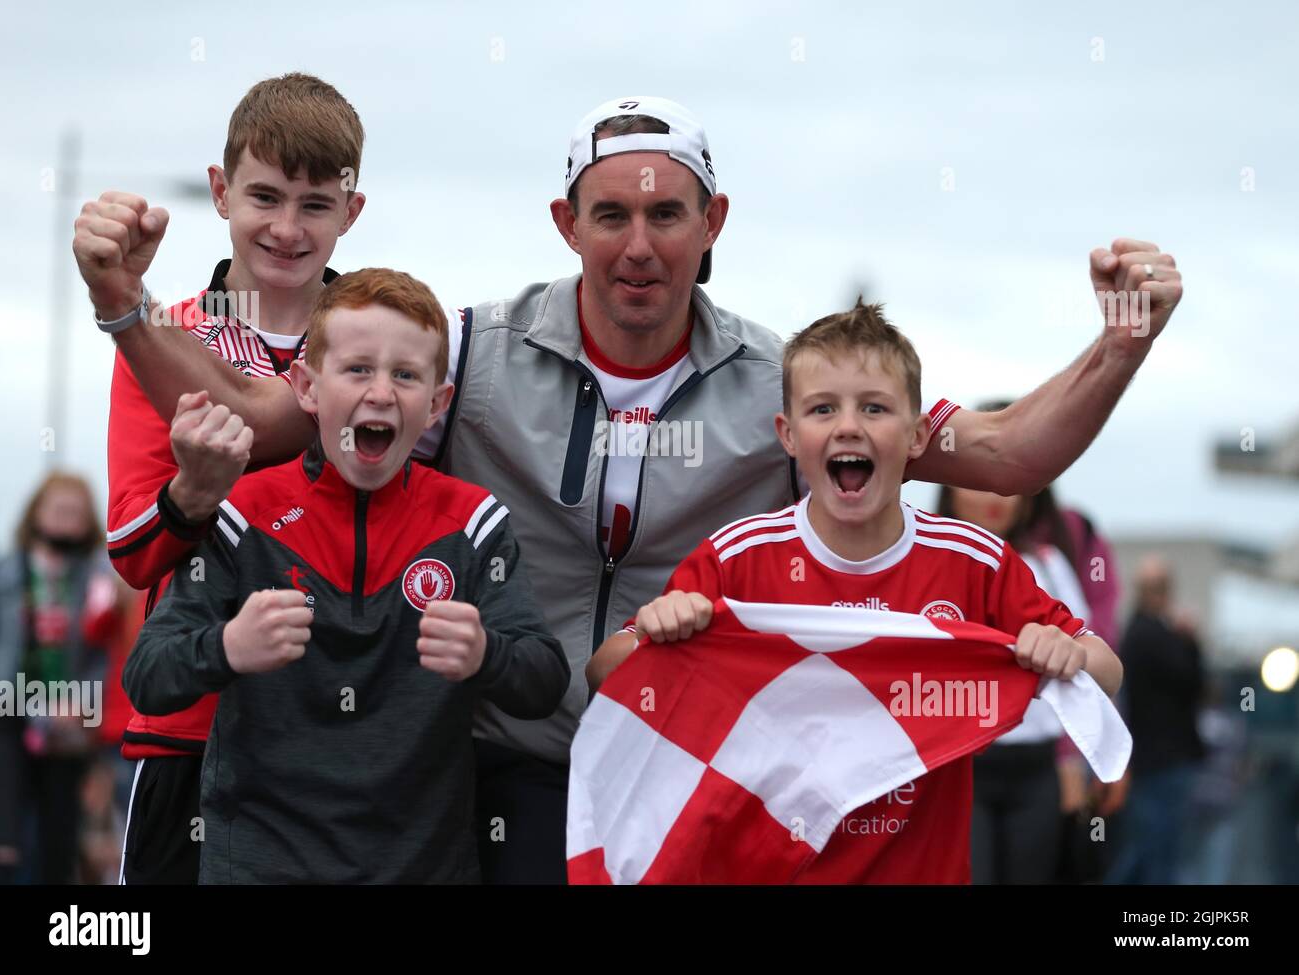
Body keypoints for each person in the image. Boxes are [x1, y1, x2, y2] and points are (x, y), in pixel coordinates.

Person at [78, 96, 1180, 883]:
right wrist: (126, 306)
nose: (640, 244)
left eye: (668, 216)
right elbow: (261, 416)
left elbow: (1004, 456)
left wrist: (1122, 344)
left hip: (687, 776)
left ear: (714, 225)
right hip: (489, 767)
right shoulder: (469, 353)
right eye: (610, 215)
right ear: (566, 226)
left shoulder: (781, 386)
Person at [587, 300, 1122, 882]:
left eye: (874, 407)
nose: (849, 425)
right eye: (823, 408)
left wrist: (1066, 652)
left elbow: (1106, 668)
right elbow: (604, 673)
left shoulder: (974, 560)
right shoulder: (738, 555)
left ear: (919, 435)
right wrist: (661, 629)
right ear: (788, 436)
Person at [122, 268, 568, 883]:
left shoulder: (471, 523)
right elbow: (146, 677)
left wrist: (488, 654)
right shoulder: (243, 515)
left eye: (406, 375)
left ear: (438, 403)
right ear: (306, 387)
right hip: (259, 867)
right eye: (358, 369)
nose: (381, 392)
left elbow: (545, 681)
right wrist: (226, 647)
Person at [72, 72, 366, 883]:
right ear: (219, 190)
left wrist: (121, 305)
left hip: (350, 731)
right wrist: (191, 497)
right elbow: (133, 550)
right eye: (264, 196)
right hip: (189, 731)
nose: (285, 227)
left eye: (315, 204)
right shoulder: (164, 337)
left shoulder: (382, 336)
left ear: (353, 211)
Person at [937, 449, 1094, 884]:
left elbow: (1086, 667)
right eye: (979, 480)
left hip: (1036, 769)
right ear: (948, 486)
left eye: (1010, 483)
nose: (997, 496)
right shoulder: (929, 562)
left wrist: (1072, 761)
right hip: (957, 769)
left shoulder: (1049, 564)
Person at [0, 473, 114, 883]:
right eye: (58, 510)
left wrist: (82, 707)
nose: (66, 521)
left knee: (58, 837)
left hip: (68, 724)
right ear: (37, 513)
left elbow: (103, 650)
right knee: (8, 835)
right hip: (10, 713)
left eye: (75, 512)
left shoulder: (97, 580)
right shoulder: (10, 571)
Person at [1106, 556, 1205, 885]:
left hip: (1153, 761)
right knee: (1156, 855)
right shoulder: (1152, 635)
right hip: (1160, 763)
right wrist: (1189, 642)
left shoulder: (1140, 633)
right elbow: (1192, 683)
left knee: (1150, 852)